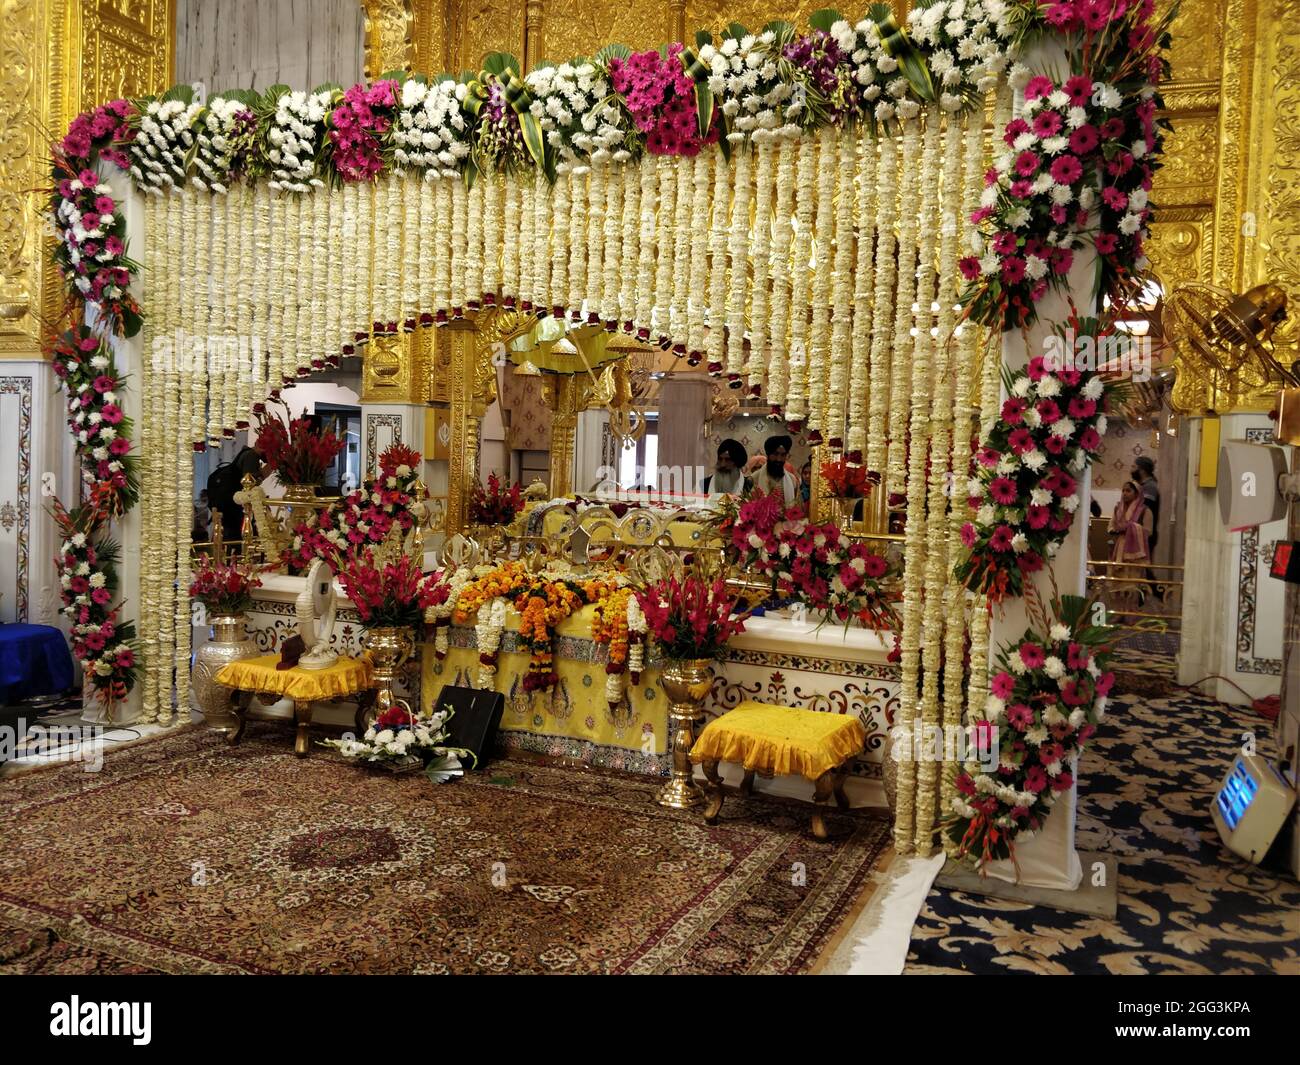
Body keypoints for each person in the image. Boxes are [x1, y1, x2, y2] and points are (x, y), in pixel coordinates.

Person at [1108, 480, 1153, 617]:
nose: (1125, 493)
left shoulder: (1145, 511)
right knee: (1118, 582)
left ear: (1137, 493)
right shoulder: (1118, 508)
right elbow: (1111, 526)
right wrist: (1116, 530)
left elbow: (1148, 531)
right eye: (1123, 490)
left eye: (1128, 491)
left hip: (1135, 553)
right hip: (1119, 548)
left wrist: (1132, 528)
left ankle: (1131, 614)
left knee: (1132, 583)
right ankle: (1118, 613)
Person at [1131, 456, 1161, 593]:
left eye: (1134, 467)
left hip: (1145, 533)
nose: (1131, 470)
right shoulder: (1143, 486)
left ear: (1142, 470)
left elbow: (1143, 509)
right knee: (1140, 568)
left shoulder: (1149, 487)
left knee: (1143, 568)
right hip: (1138, 532)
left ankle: (1158, 592)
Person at [753, 435, 799, 505]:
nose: (779, 459)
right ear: (768, 455)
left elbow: (797, 508)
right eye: (775, 454)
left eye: (783, 455)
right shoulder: (754, 478)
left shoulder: (792, 480)